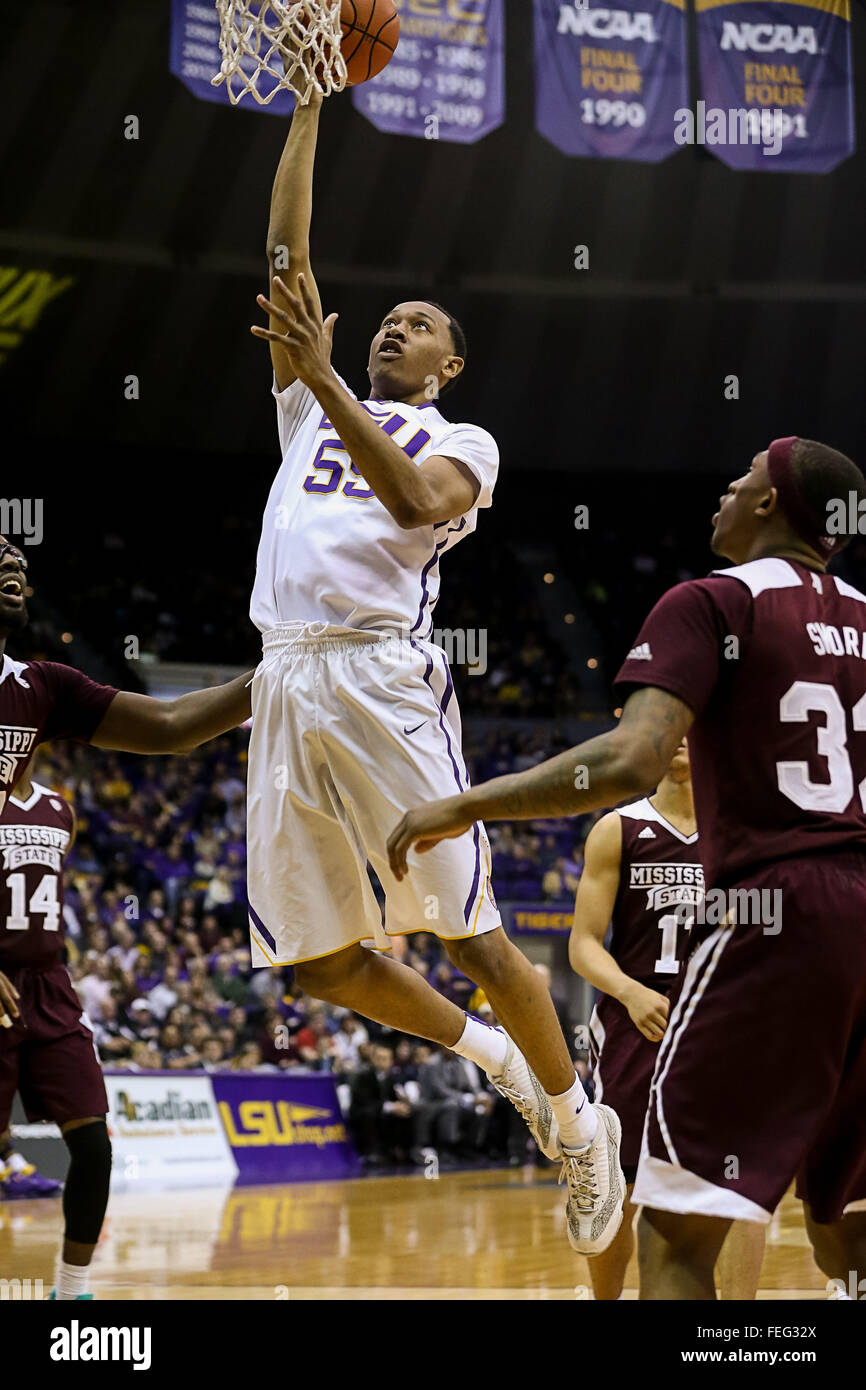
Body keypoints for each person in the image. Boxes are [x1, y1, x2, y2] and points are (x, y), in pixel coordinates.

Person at [242, 87, 622, 1251]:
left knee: (471, 936)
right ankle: (496, 1054)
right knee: (312, 966)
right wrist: (309, 105)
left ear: (447, 364)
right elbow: (283, 254)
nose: (393, 326)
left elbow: (412, 504)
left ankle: (574, 1125)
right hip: (280, 679)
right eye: (385, 318)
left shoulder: (458, 439)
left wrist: (325, 381)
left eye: (417, 323)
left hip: (377, 678)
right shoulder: (309, 407)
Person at [388, 436, 866, 1299]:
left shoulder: (712, 601)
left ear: (771, 504)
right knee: (842, 1220)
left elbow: (626, 761)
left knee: (678, 1233)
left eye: (742, 477)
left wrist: (464, 802)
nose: (725, 488)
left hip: (782, 904)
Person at [0, 538, 252, 1300]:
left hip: (41, 982)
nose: (14, 567)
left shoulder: (38, 687)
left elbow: (172, 725)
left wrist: (276, 675)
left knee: (93, 1147)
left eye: (19, 562)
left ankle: (71, 1294)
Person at [570, 742, 765, 1299]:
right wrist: (629, 993)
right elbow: (584, 945)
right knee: (620, 1181)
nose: (682, 737)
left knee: (736, 1182)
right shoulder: (618, 829)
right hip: (639, 1021)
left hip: (724, 1025)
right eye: (669, 723)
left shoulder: (748, 830)